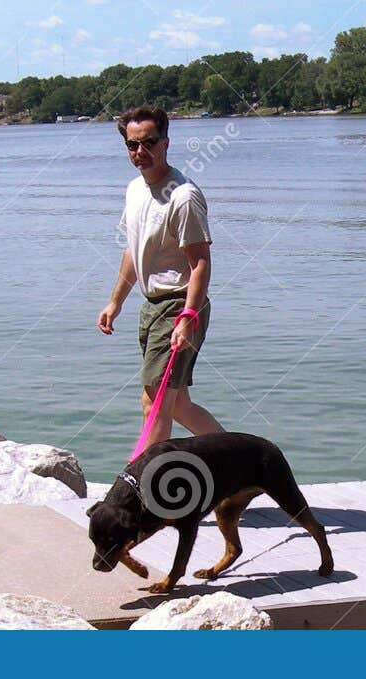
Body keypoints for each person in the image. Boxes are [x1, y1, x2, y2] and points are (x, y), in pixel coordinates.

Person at [97, 105, 224, 448]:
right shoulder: (135, 190)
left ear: (166, 143)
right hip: (151, 306)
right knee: (178, 404)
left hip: (178, 305)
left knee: (153, 403)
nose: (141, 152)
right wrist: (115, 301)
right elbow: (132, 250)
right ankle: (239, 465)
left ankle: (145, 490)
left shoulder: (183, 197)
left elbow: (200, 263)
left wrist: (187, 318)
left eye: (149, 143)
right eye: (133, 145)